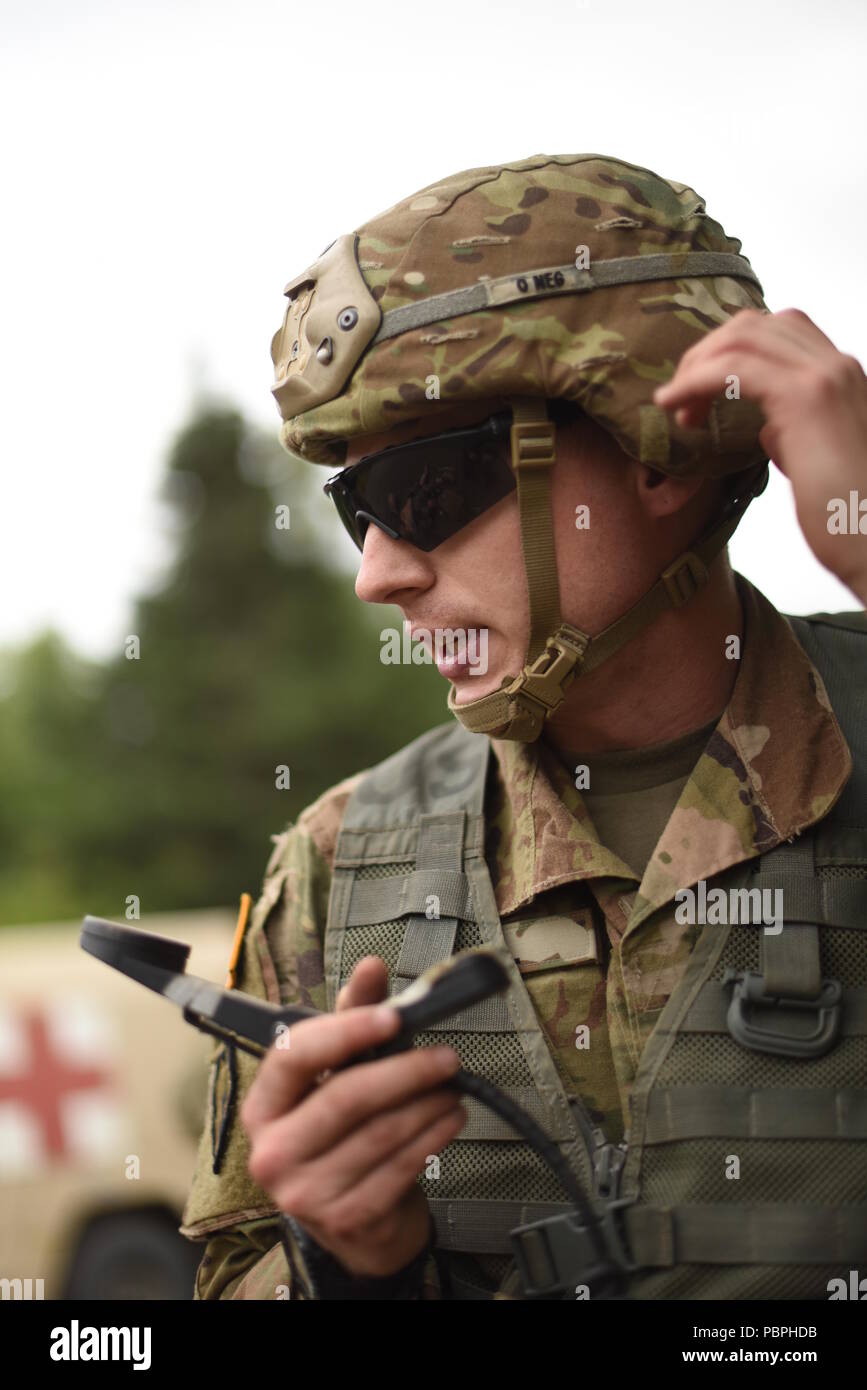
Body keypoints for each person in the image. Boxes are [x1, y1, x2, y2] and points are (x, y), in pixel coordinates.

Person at [180, 154, 867, 1300]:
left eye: (427, 493)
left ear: (656, 452)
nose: (381, 575)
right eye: (359, 512)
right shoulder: (341, 868)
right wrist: (354, 1266)